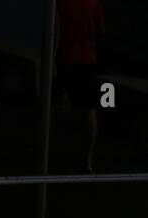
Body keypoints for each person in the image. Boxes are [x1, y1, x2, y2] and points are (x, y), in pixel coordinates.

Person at [56, 0, 105, 173]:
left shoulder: (62, 3)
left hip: (64, 57)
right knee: (89, 109)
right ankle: (87, 158)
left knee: (58, 103)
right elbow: (100, 32)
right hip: (87, 59)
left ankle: (50, 150)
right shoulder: (93, 3)